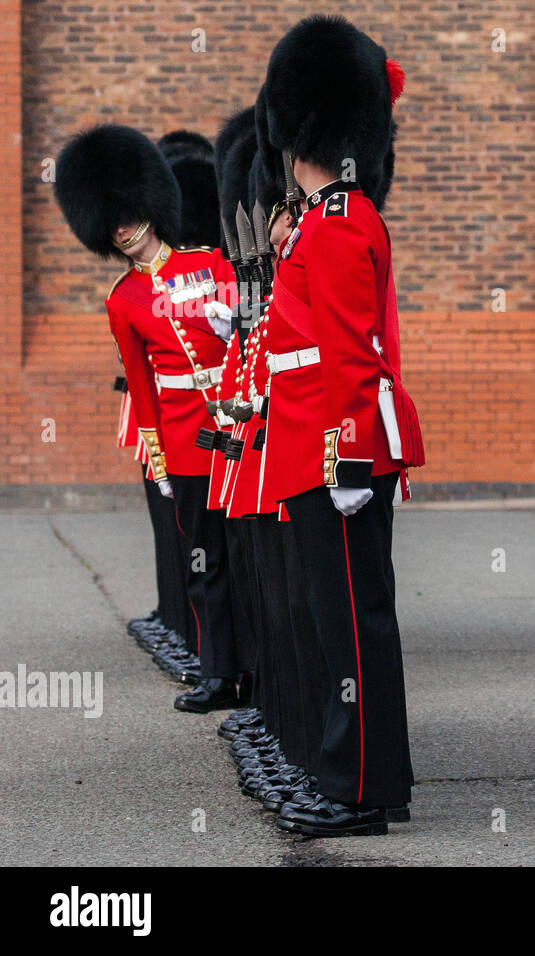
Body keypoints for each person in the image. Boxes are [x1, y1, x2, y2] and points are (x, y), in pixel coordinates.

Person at [259, 14, 424, 837]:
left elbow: (353, 355)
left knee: (352, 626)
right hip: (313, 446)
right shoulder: (323, 224)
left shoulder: (340, 224)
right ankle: (366, 778)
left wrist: (348, 461)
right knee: (342, 623)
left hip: (335, 455)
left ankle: (353, 788)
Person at [54, 124, 242, 714]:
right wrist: (157, 456)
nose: (123, 226)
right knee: (204, 563)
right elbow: (141, 386)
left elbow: (254, 343)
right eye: (111, 220)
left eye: (129, 212)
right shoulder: (122, 300)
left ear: (150, 207)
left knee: (254, 559)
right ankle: (217, 673)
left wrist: (233, 328)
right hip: (186, 441)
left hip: (237, 432)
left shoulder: (211, 263)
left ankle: (260, 672)